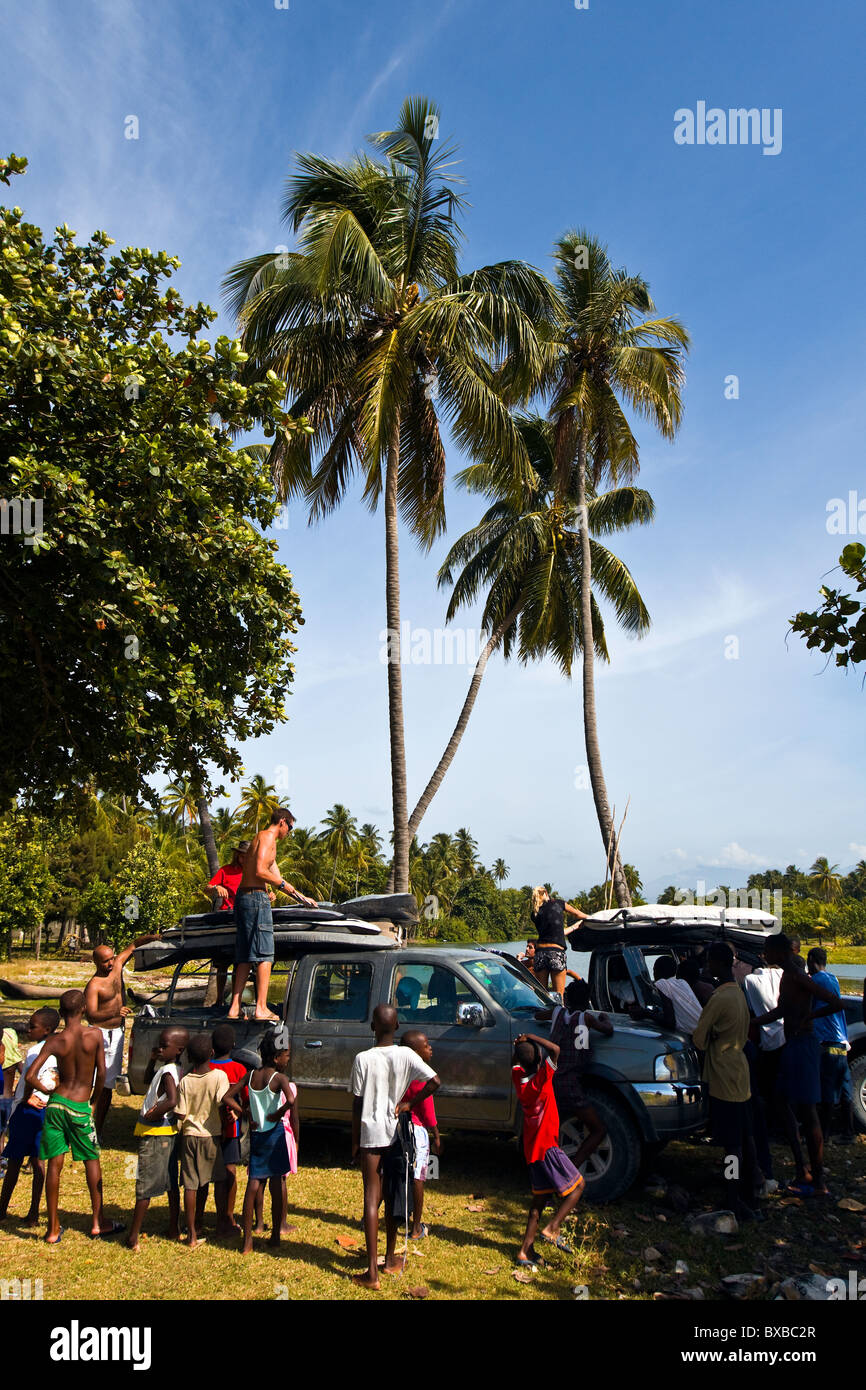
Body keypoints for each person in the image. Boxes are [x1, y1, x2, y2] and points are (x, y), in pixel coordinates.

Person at [349, 1004, 440, 1291]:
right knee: (392, 1193)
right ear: (397, 1026)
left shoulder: (363, 1058)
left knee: (371, 1196)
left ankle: (371, 1274)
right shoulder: (405, 1054)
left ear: (372, 1027)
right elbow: (435, 1081)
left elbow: (357, 1104)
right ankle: (389, 1260)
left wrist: (354, 1140)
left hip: (371, 1133)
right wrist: (410, 1104)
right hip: (397, 1132)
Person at [26, 989, 123, 1243]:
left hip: (57, 1104)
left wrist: (47, 1089)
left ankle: (53, 1228)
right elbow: (102, 1072)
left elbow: (30, 1076)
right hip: (80, 1105)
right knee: (91, 1160)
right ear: (84, 1011)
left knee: (54, 1166)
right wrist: (94, 1098)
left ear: (60, 1013)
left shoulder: (56, 1041)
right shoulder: (94, 1035)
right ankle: (97, 1222)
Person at [753, 934, 847, 1196]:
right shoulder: (787, 975)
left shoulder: (796, 976)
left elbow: (836, 1002)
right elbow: (780, 1011)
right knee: (780, 1102)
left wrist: (811, 1015)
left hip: (804, 1044)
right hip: (793, 1043)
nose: (764, 955)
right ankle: (802, 1168)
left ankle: (818, 1181)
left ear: (779, 952)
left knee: (807, 1111)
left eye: (767, 950)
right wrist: (751, 1023)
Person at [692, 943, 761, 1221]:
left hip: (722, 1075)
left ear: (717, 964)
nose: (707, 967)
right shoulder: (738, 994)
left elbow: (699, 1038)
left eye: (709, 962)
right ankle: (751, 1189)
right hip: (739, 1071)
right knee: (745, 1136)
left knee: (731, 1144)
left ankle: (732, 1196)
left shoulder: (719, 998)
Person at [228, 808, 316, 1023]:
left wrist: (302, 898)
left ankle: (234, 1008)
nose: (289, 832)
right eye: (291, 828)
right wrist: (284, 885)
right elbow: (261, 871)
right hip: (256, 898)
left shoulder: (260, 838)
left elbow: (276, 876)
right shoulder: (268, 837)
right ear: (283, 822)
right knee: (265, 954)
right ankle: (260, 1008)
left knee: (245, 954)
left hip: (244, 897)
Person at [512, 1031, 586, 1267]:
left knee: (538, 1202)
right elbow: (556, 1050)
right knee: (577, 1187)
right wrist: (531, 1036)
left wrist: (522, 1047)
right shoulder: (542, 1079)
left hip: (532, 1151)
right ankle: (553, 1228)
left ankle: (525, 1250)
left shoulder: (518, 1078)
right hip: (547, 1148)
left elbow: (518, 1062)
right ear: (538, 1061)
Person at [84, 933, 159, 1140]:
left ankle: (98, 1130)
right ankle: (83, 1125)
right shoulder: (94, 985)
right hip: (98, 1033)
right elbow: (90, 1014)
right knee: (91, 1082)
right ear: (96, 962)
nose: (110, 963)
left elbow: (133, 944)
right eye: (105, 961)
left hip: (116, 1034)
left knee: (108, 1083)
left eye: (111, 958)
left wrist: (154, 936)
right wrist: (114, 1013)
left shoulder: (117, 967)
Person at [173, 1033, 241, 1249]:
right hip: (211, 1137)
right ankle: (222, 1222)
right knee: (219, 1180)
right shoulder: (219, 1077)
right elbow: (223, 1102)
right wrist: (234, 1116)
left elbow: (181, 1114)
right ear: (211, 1054)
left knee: (191, 1185)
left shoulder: (185, 1081)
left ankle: (193, 1231)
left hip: (190, 1136)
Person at [233, 1028, 298, 1254]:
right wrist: (277, 1114)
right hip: (275, 1134)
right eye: (287, 1055)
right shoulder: (279, 1078)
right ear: (276, 1057)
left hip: (257, 1135)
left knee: (253, 1184)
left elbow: (226, 1097)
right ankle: (275, 1236)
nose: (288, 1059)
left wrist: (246, 1113)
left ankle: (247, 1241)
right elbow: (290, 1100)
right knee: (277, 1183)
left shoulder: (251, 1076)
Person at [126, 1027, 189, 1251]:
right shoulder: (170, 1068)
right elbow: (146, 1080)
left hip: (155, 1133)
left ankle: (133, 1235)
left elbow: (171, 1100)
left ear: (179, 1050)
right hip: (166, 1133)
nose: (159, 1049)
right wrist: (153, 1061)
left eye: (164, 1047)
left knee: (146, 1185)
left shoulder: (169, 1072)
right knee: (171, 1182)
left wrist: (153, 1114)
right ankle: (173, 1226)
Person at [0, 1008, 60, 1225]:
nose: (27, 1029)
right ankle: (33, 1212)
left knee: (16, 1161)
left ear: (47, 1029)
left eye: (32, 1026)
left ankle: (3, 1209)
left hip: (28, 1111)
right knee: (37, 1162)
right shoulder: (57, 1050)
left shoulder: (36, 1051)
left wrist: (28, 1098)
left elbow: (31, 1078)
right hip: (42, 1110)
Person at [549, 979, 612, 1171]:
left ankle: (551, 1166)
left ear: (566, 999)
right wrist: (604, 1017)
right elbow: (608, 1030)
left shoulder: (556, 1013)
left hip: (552, 1081)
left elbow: (538, 1014)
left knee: (551, 1129)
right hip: (571, 1083)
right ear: (587, 1001)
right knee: (598, 1129)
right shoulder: (586, 1019)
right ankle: (572, 1169)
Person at [806, 947, 855, 1144]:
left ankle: (823, 1135)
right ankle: (848, 1133)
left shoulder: (816, 981)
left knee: (826, 1087)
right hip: (841, 1041)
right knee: (844, 1086)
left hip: (826, 1041)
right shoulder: (833, 978)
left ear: (812, 960)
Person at [209, 1023, 250, 1237]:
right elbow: (246, 1100)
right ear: (233, 1045)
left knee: (205, 1175)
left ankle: (199, 1218)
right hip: (230, 1129)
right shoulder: (239, 1070)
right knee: (229, 1171)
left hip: (207, 1128)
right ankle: (227, 1216)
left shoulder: (205, 1067)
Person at [400, 1031, 441, 1240]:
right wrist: (436, 1134)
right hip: (417, 1130)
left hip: (399, 1128)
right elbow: (427, 1109)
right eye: (426, 1045)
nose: (430, 1048)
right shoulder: (422, 1075)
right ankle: (416, 1227)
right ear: (415, 1053)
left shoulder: (399, 1071)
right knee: (418, 1177)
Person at [529, 887, 588, 996]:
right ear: (546, 893)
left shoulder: (534, 914)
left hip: (540, 953)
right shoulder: (559, 903)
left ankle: (546, 1012)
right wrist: (590, 917)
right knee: (559, 996)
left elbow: (555, 933)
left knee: (543, 996)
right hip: (556, 952)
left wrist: (575, 927)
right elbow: (577, 914)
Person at [651, 957, 703, 1036]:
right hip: (704, 1027)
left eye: (654, 970)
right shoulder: (682, 982)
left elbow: (669, 1022)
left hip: (696, 1035)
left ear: (658, 971)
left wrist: (646, 1014)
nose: (653, 974)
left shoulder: (662, 983)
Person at [204, 842, 251, 911]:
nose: (245, 860)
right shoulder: (225, 870)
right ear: (237, 856)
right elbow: (206, 889)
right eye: (242, 857)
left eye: (247, 857)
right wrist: (216, 887)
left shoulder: (257, 871)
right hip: (230, 912)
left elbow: (263, 890)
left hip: (251, 910)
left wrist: (270, 894)